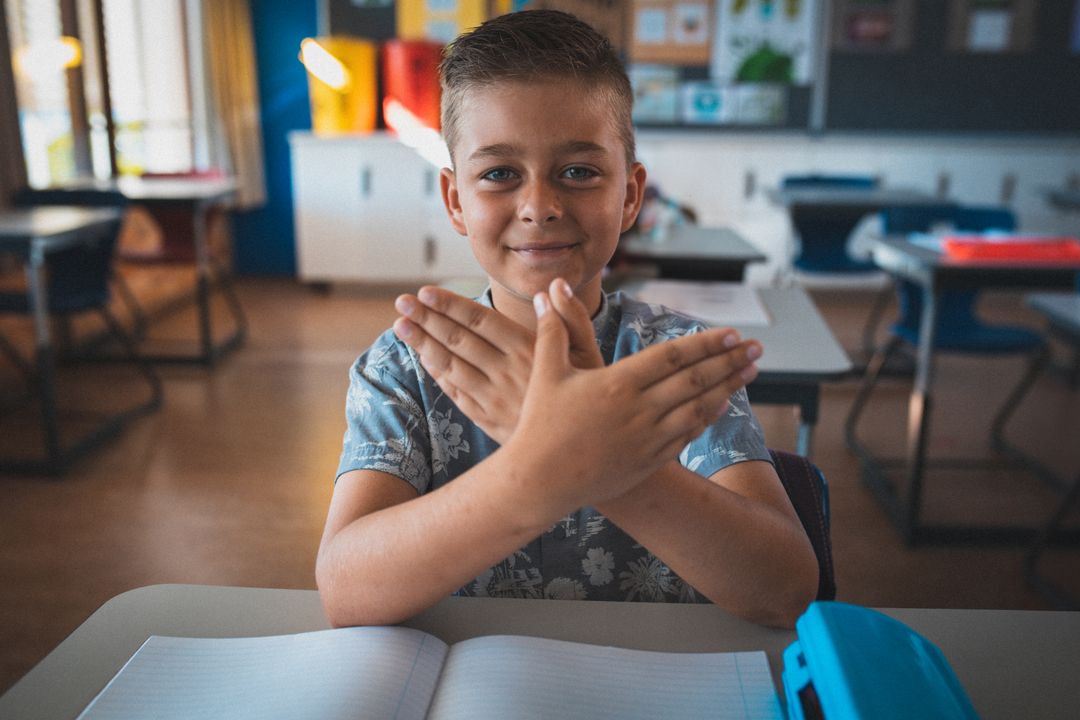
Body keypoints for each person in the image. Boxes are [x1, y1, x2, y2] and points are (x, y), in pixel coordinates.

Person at [317, 9, 817, 629]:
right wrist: (537, 475)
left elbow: (784, 587)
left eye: (578, 172)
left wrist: (574, 451)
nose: (540, 207)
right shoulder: (404, 368)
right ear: (455, 200)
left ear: (630, 195)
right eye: (499, 174)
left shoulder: (680, 359)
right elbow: (346, 589)